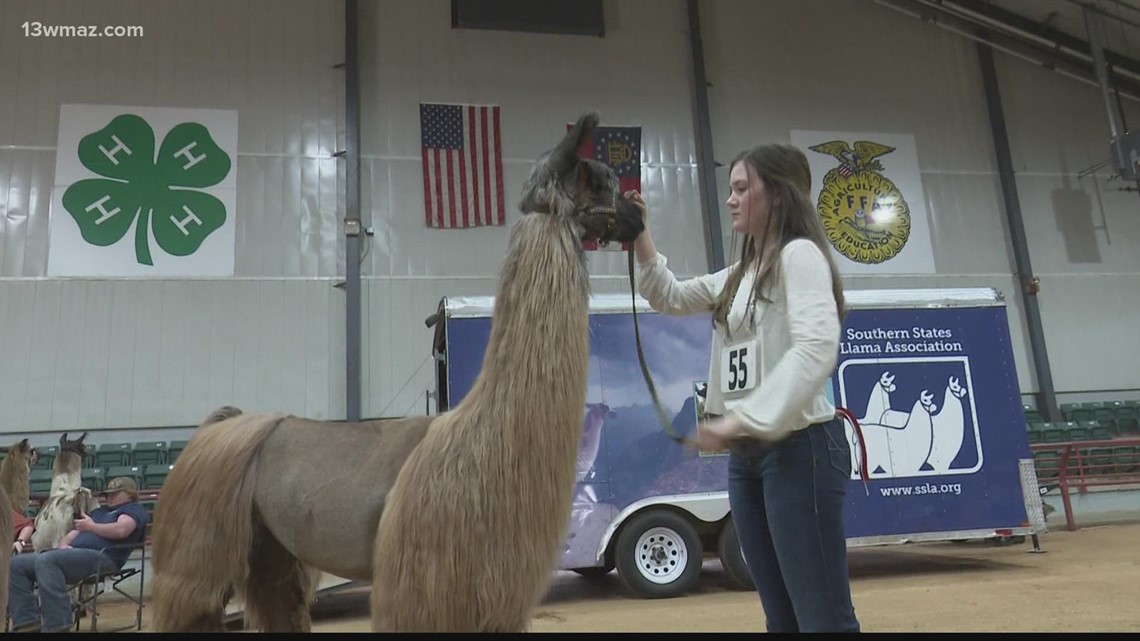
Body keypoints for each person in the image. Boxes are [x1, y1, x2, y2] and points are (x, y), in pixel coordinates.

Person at [628, 143, 859, 633]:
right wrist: (640, 233)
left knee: (821, 616)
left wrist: (743, 418)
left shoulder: (801, 256)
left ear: (776, 194)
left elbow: (817, 349)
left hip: (800, 448)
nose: (730, 200)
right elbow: (670, 296)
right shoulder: (741, 274)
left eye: (740, 188)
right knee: (782, 615)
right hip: (750, 456)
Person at [7, 477, 149, 633]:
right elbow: (71, 535)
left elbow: (121, 530)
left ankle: (58, 623)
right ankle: (27, 622)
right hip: (73, 557)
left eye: (115, 493)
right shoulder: (98, 512)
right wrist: (64, 547)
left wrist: (92, 526)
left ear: (130, 494)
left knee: (47, 560)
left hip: (103, 558)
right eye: (108, 494)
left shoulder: (133, 510)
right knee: (16, 564)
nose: (109, 497)